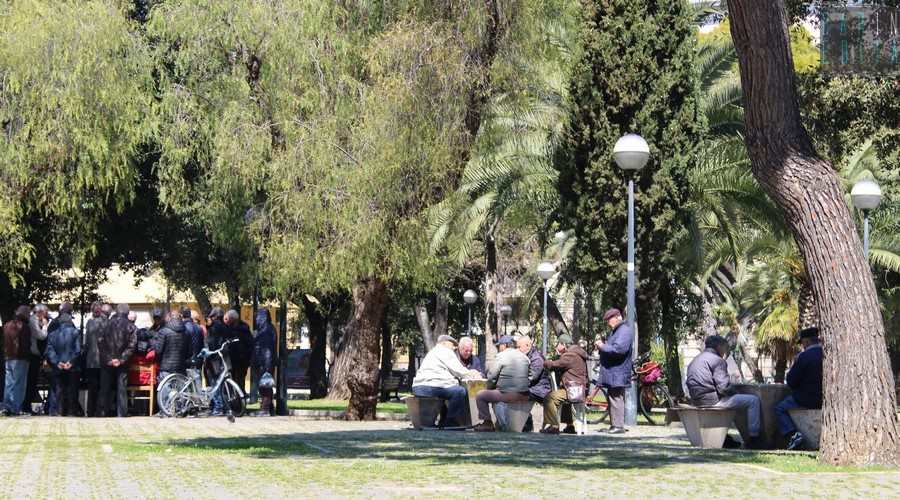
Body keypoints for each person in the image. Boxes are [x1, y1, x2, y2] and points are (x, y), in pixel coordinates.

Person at [686, 335, 764, 448]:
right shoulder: (717, 361)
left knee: (738, 401)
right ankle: (753, 439)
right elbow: (724, 388)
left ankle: (726, 438)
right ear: (719, 346)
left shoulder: (695, 360)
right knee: (753, 401)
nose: (726, 351)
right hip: (713, 402)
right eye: (725, 347)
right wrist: (736, 392)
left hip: (697, 402)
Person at [411, 335, 481, 428]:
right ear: (444, 343)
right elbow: (458, 370)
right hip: (430, 386)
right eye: (452, 345)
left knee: (449, 391)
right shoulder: (445, 351)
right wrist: (472, 374)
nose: (454, 347)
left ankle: (443, 421)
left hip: (419, 386)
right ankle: (450, 422)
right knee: (459, 391)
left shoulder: (433, 352)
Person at [775, 327, 823, 450]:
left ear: (806, 341)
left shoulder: (804, 356)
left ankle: (793, 435)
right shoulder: (827, 353)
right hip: (824, 398)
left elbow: (791, 381)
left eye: (802, 343)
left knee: (780, 408)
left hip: (806, 398)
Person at [473, 334, 532, 432]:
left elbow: (492, 376)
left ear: (504, 345)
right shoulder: (525, 358)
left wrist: (489, 387)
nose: (498, 347)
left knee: (481, 395)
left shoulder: (501, 356)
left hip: (508, 394)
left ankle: (487, 423)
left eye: (499, 345)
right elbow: (529, 376)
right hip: (524, 394)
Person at [595, 308, 634, 434]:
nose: (608, 323)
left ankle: (618, 426)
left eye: (609, 319)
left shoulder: (624, 331)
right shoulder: (617, 331)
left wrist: (602, 346)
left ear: (617, 317)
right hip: (613, 371)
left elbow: (618, 350)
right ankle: (614, 425)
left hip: (618, 371)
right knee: (612, 397)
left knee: (616, 398)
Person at [541, 334, 588, 435]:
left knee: (550, 398)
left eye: (558, 343)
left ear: (563, 344)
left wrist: (546, 362)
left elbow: (555, 364)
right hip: (578, 389)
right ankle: (570, 425)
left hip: (574, 390)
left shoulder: (569, 355)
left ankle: (554, 426)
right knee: (562, 396)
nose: (557, 346)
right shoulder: (577, 353)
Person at [98, 303, 137, 417]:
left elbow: (100, 343)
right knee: (121, 387)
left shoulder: (106, 324)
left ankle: (102, 412)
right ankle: (122, 413)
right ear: (127, 313)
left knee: (105, 387)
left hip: (108, 361)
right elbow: (132, 345)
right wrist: (121, 359)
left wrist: (109, 359)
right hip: (122, 362)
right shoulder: (131, 326)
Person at [45, 310, 81, 416]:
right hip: (72, 367)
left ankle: (58, 411)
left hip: (58, 366)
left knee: (58, 389)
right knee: (72, 390)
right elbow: (78, 350)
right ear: (70, 321)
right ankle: (71, 412)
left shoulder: (52, 334)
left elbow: (49, 351)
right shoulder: (76, 332)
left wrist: (57, 362)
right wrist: (71, 362)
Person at [2, 306, 32, 416]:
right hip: (20, 358)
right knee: (19, 384)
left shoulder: (7, 325)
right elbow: (26, 345)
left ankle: (7, 406)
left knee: (9, 383)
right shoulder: (24, 327)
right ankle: (16, 408)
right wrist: (27, 356)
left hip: (8, 358)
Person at [519, 336, 551, 432]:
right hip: (534, 388)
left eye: (519, 347)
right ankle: (525, 424)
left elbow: (532, 377)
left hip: (540, 390)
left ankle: (527, 425)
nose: (517, 349)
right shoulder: (527, 356)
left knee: (518, 395)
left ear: (527, 346)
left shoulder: (536, 358)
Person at [83, 302, 108, 417]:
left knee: (92, 386)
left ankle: (91, 410)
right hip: (102, 360)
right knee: (101, 386)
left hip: (92, 360)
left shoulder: (90, 323)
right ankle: (100, 410)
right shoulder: (106, 322)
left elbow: (87, 342)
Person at [25, 304, 49, 414]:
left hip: (34, 355)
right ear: (40, 312)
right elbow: (41, 336)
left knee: (32, 381)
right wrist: (45, 326)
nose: (46, 316)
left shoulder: (34, 320)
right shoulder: (33, 321)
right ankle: (26, 406)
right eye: (45, 313)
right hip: (32, 355)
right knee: (30, 381)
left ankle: (27, 405)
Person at [252, 309, 277, 415]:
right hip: (264, 362)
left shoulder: (266, 330)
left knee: (264, 386)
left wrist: (266, 366)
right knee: (265, 386)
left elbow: (267, 350)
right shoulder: (267, 329)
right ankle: (269, 407)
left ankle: (265, 409)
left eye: (257, 317)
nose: (255, 320)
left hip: (264, 363)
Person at [151, 315, 189, 382]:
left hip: (166, 367)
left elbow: (158, 351)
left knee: (165, 391)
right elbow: (189, 352)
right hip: (181, 367)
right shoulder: (186, 332)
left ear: (169, 319)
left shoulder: (164, 331)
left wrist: (154, 343)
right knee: (180, 391)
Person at [224, 309, 253, 392]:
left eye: (227, 319)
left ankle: (236, 398)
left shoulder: (231, 329)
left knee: (235, 379)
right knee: (240, 380)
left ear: (232, 319)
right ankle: (240, 397)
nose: (225, 321)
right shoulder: (245, 327)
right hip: (242, 359)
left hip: (236, 359)